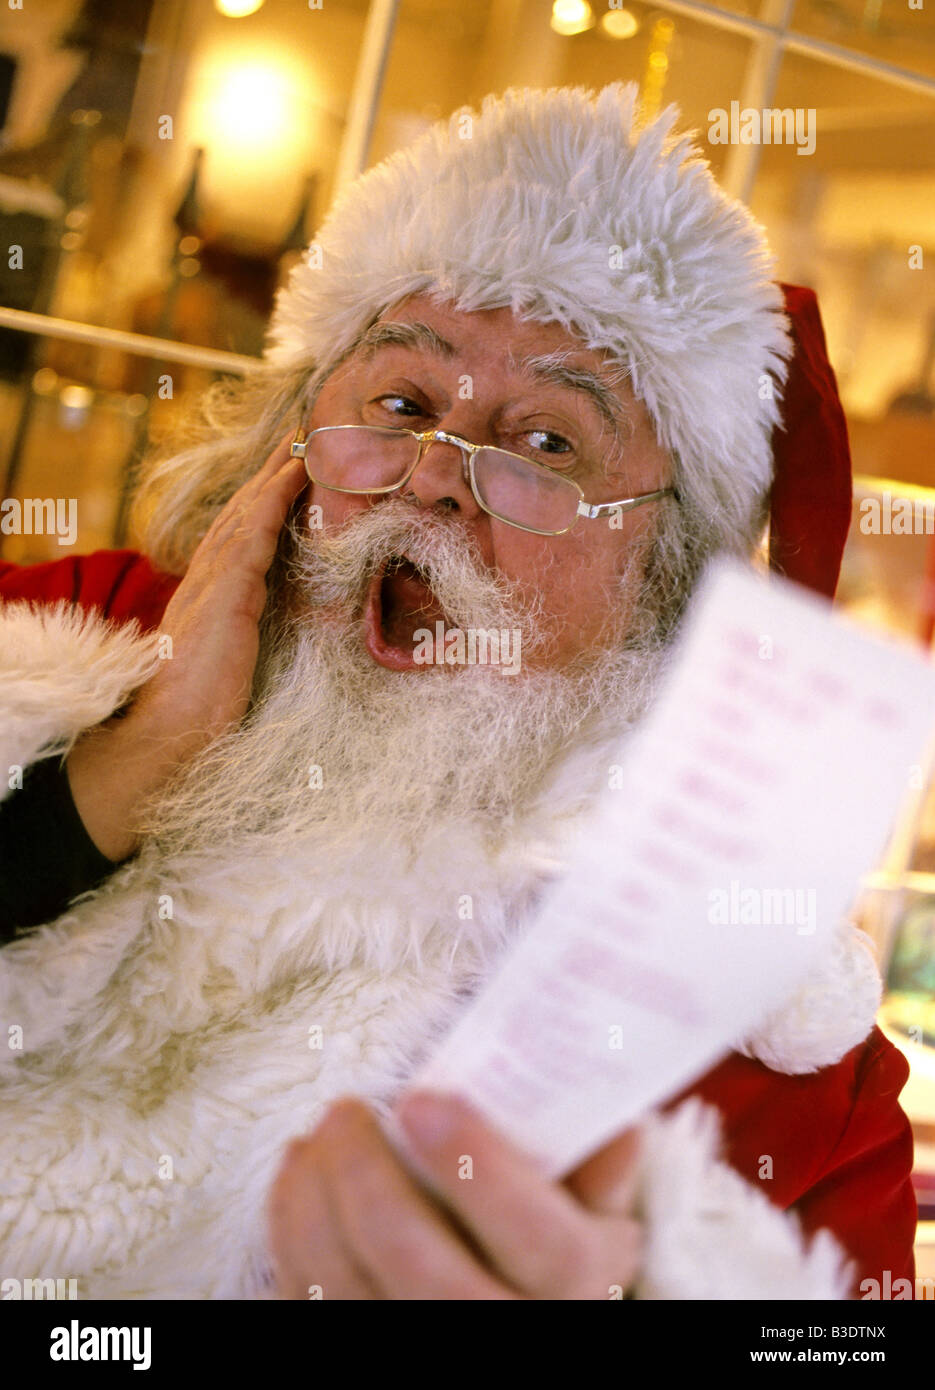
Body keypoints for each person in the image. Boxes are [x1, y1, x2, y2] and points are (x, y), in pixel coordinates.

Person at [0, 82, 914, 1300]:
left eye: (546, 444)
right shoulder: (59, 644)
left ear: (664, 576)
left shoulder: (750, 1022)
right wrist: (123, 764)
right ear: (287, 444)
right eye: (399, 402)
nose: (435, 478)